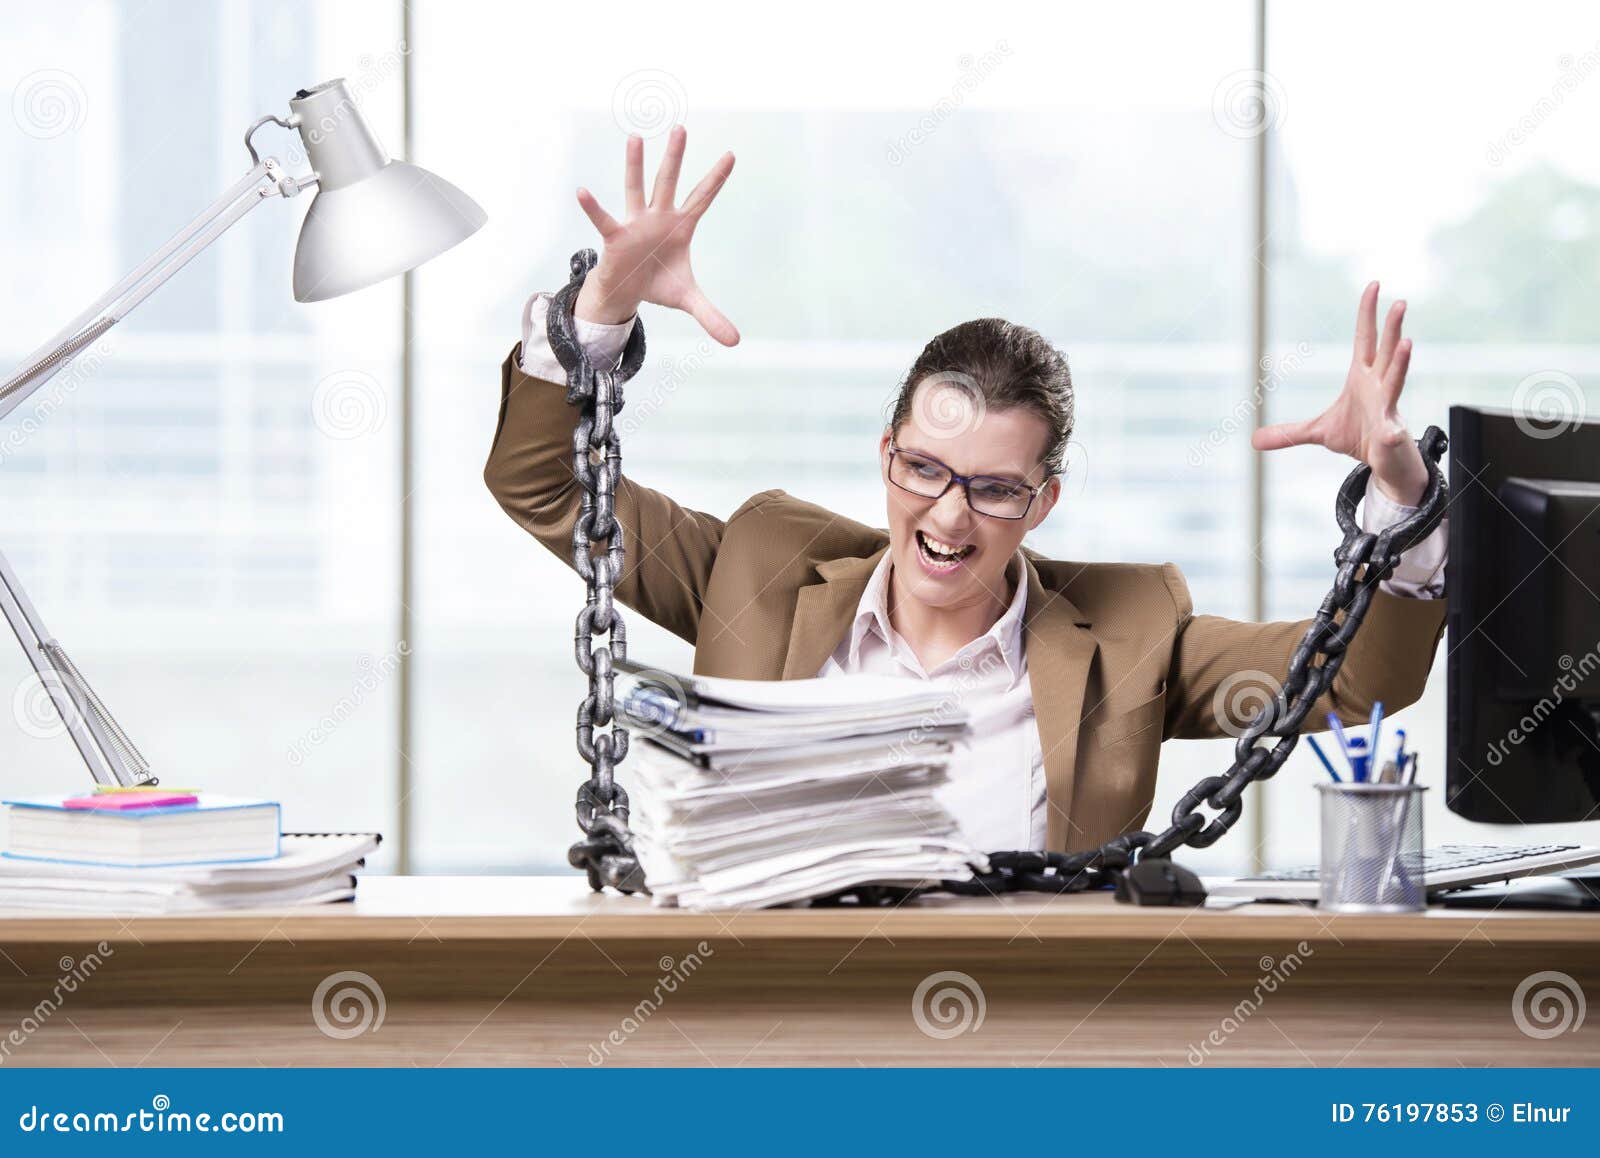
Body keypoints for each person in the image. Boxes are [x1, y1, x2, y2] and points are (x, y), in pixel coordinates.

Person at [484, 127, 1447, 855]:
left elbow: (1359, 681)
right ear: (888, 454)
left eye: (993, 488)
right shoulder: (761, 570)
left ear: (1043, 501)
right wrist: (599, 311)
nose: (948, 516)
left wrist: (1403, 502)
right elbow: (546, 489)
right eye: (926, 472)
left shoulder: (1127, 632)